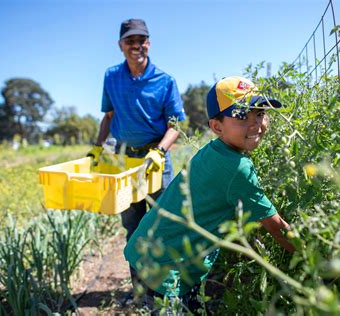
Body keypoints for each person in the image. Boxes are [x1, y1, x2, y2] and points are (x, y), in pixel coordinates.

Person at [124, 76, 295, 314]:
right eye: (242, 116)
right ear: (216, 127)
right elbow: (276, 226)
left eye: (260, 113)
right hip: (164, 268)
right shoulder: (237, 168)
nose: (256, 123)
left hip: (150, 251)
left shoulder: (216, 150)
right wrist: (308, 257)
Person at [86, 18, 186, 293]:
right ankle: (141, 290)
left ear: (149, 43)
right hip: (125, 161)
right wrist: (97, 147)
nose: (136, 45)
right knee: (133, 226)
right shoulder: (111, 77)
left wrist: (160, 151)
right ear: (121, 45)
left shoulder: (165, 81)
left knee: (163, 223)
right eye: (130, 40)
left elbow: (175, 125)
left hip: (156, 159)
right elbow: (108, 116)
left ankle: (167, 289)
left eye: (141, 40)